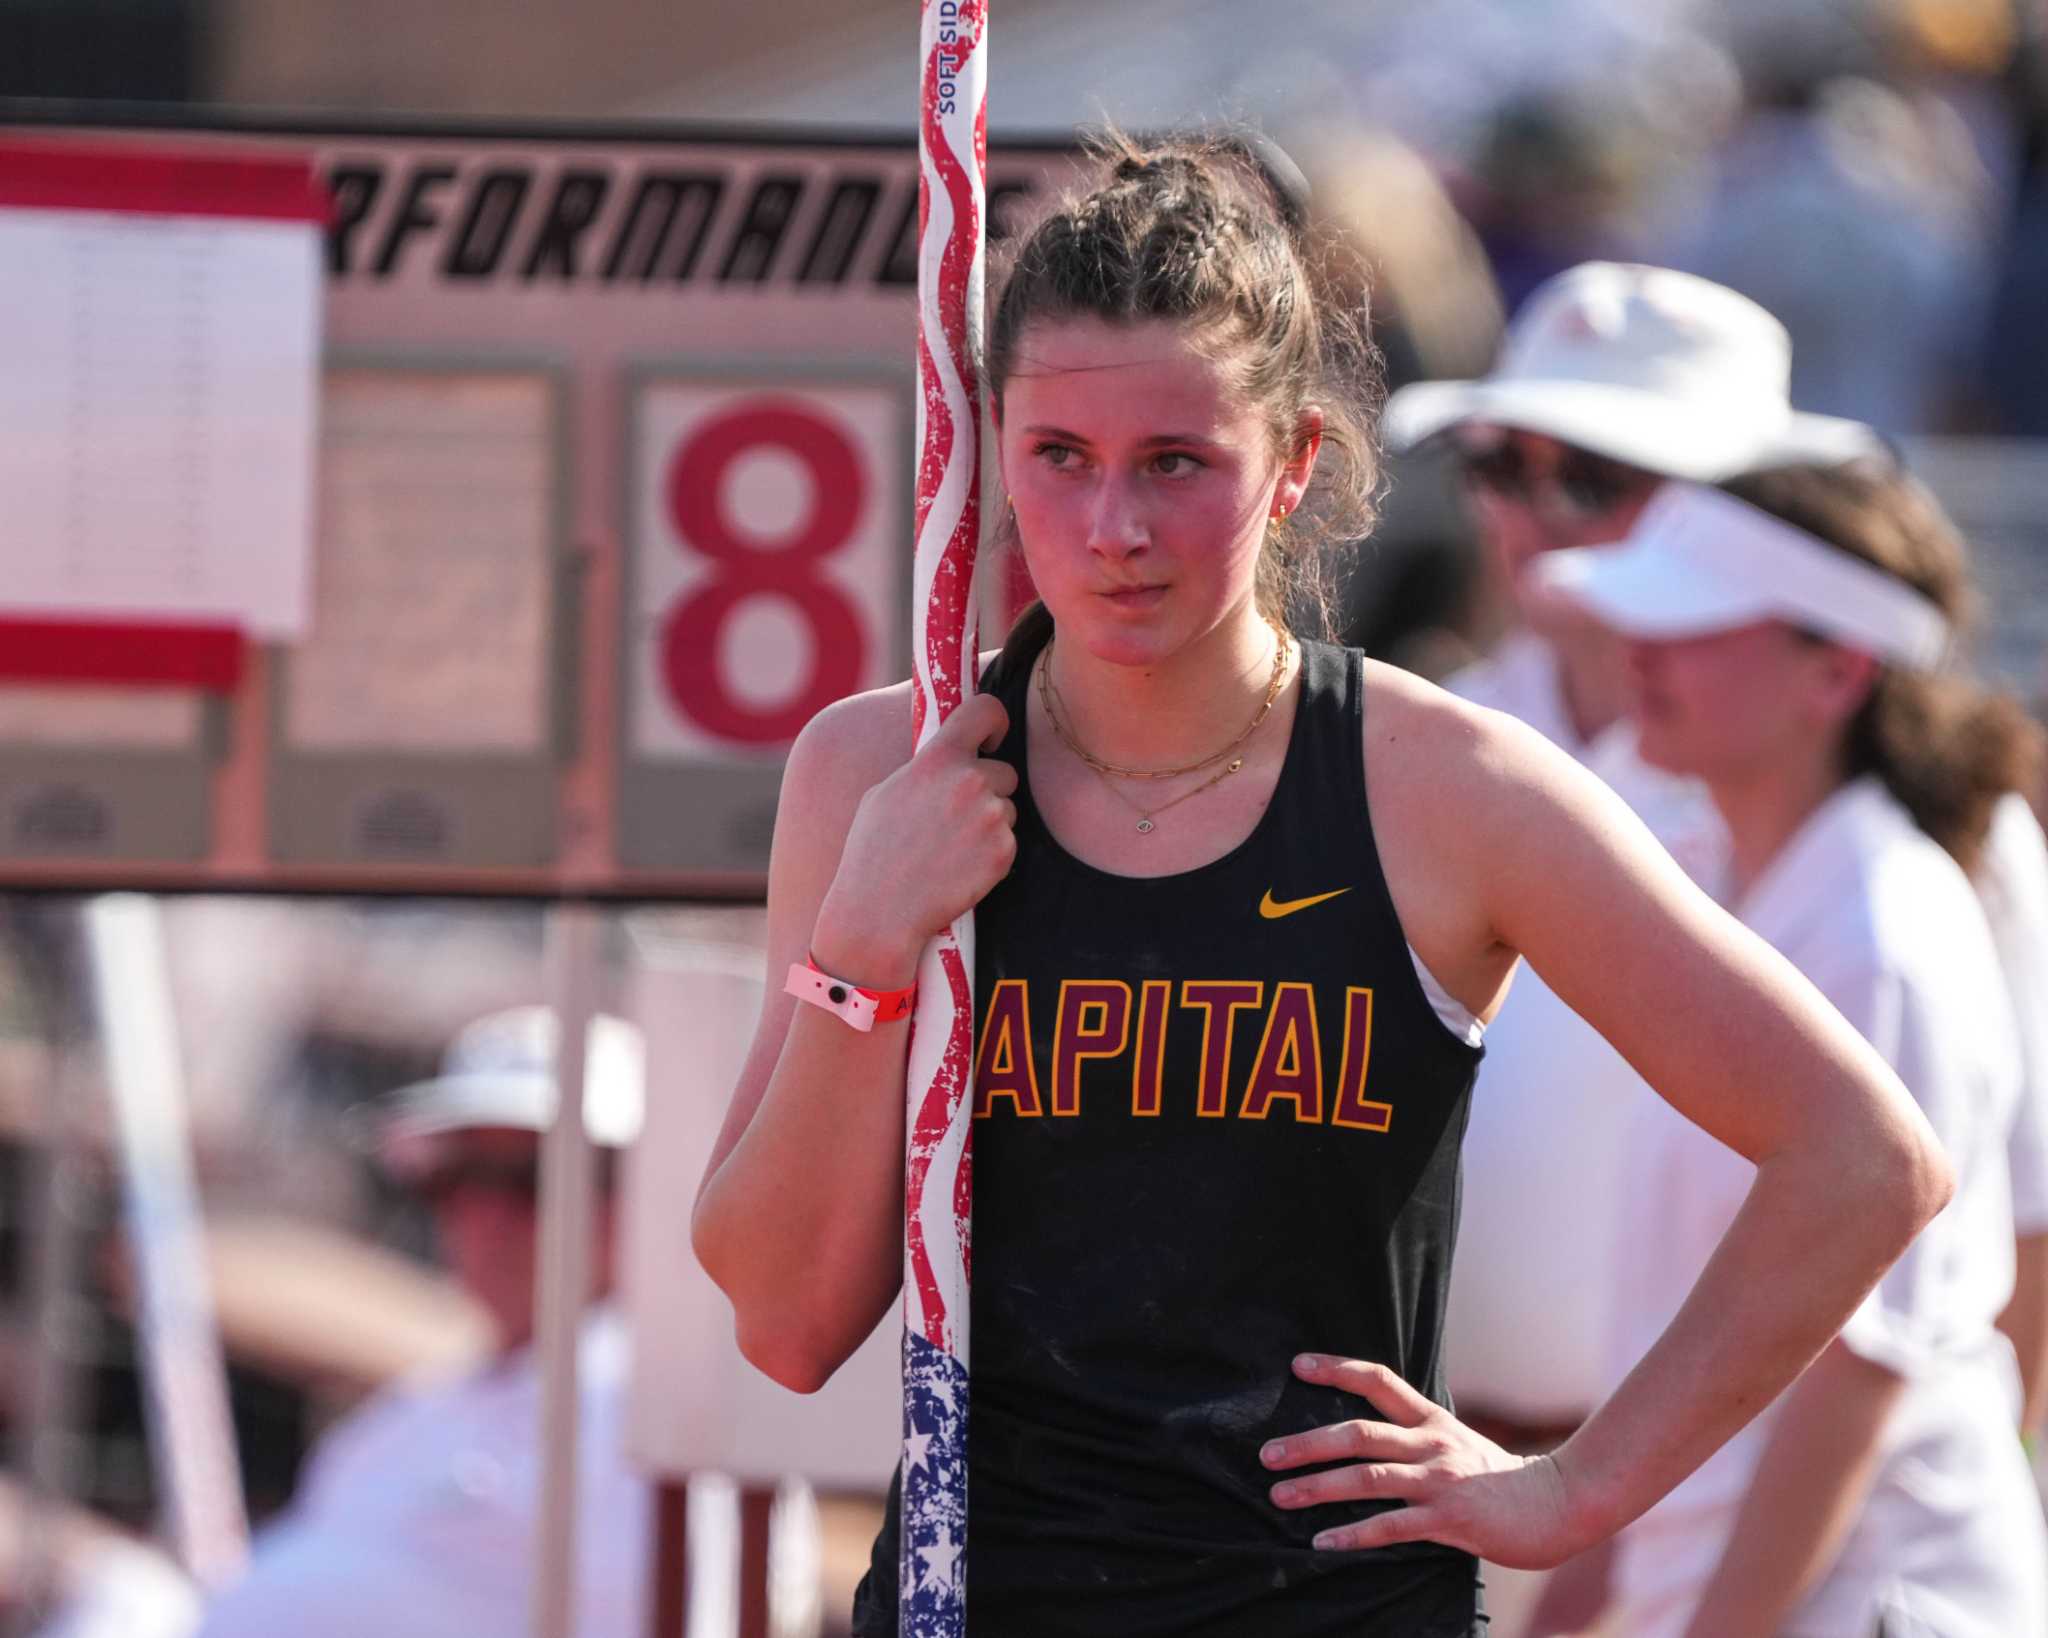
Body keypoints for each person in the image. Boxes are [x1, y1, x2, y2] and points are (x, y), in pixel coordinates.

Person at [690, 132, 1951, 1637]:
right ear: (989, 450)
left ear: (1294, 461)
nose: (1115, 530)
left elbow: (1864, 1157)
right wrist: (864, 943)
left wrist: (1574, 1487)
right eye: (1061, 460)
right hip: (977, 1597)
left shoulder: (1446, 786)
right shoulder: (878, 774)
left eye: (1178, 462)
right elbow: (783, 1319)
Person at [1381, 260, 2048, 1460]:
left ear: (1748, 504)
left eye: (1591, 476)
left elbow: (2020, 1230)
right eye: (1495, 463)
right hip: (1448, 1497)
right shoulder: (1415, 750)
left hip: (1752, 1538)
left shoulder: (1934, 820)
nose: (1529, 513)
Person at [1529, 463, 2048, 1637]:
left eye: (1693, 621)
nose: (1640, 649)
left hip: (1865, 1602)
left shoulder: (1882, 934)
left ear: (1837, 670)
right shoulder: (1729, 881)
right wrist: (1586, 1582)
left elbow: (1862, 1375)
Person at [193, 1007, 755, 1638]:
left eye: (533, 1181)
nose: (486, 1221)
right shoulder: (413, 1409)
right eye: (459, 1179)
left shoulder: (667, 1408)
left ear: (639, 1193)